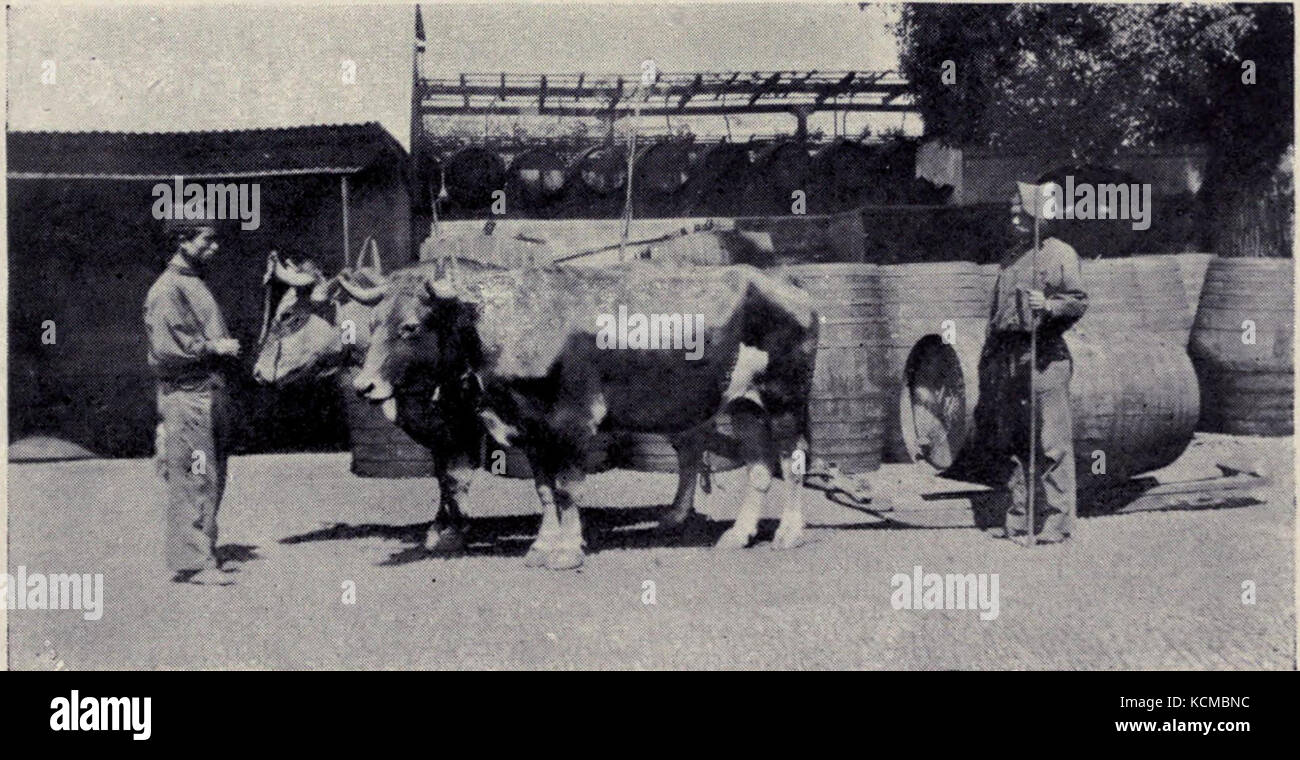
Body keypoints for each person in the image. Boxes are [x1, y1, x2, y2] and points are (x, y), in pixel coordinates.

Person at [979, 189, 1088, 544]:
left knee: (1052, 444)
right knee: (1016, 444)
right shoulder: (1011, 258)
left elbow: (1078, 301)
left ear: (1039, 214)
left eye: (1020, 212)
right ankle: (1018, 519)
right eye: (1011, 211)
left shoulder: (1060, 253)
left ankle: (1057, 523)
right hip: (1011, 357)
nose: (1013, 218)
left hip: (1045, 357)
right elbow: (996, 313)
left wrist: (1051, 305)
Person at [144, 221, 241, 583]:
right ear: (183, 241)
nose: (214, 247)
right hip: (186, 395)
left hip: (207, 390)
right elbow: (167, 350)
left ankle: (203, 549)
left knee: (211, 474)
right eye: (207, 240)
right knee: (194, 475)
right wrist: (214, 346)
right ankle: (194, 562)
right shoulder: (167, 289)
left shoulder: (192, 282)